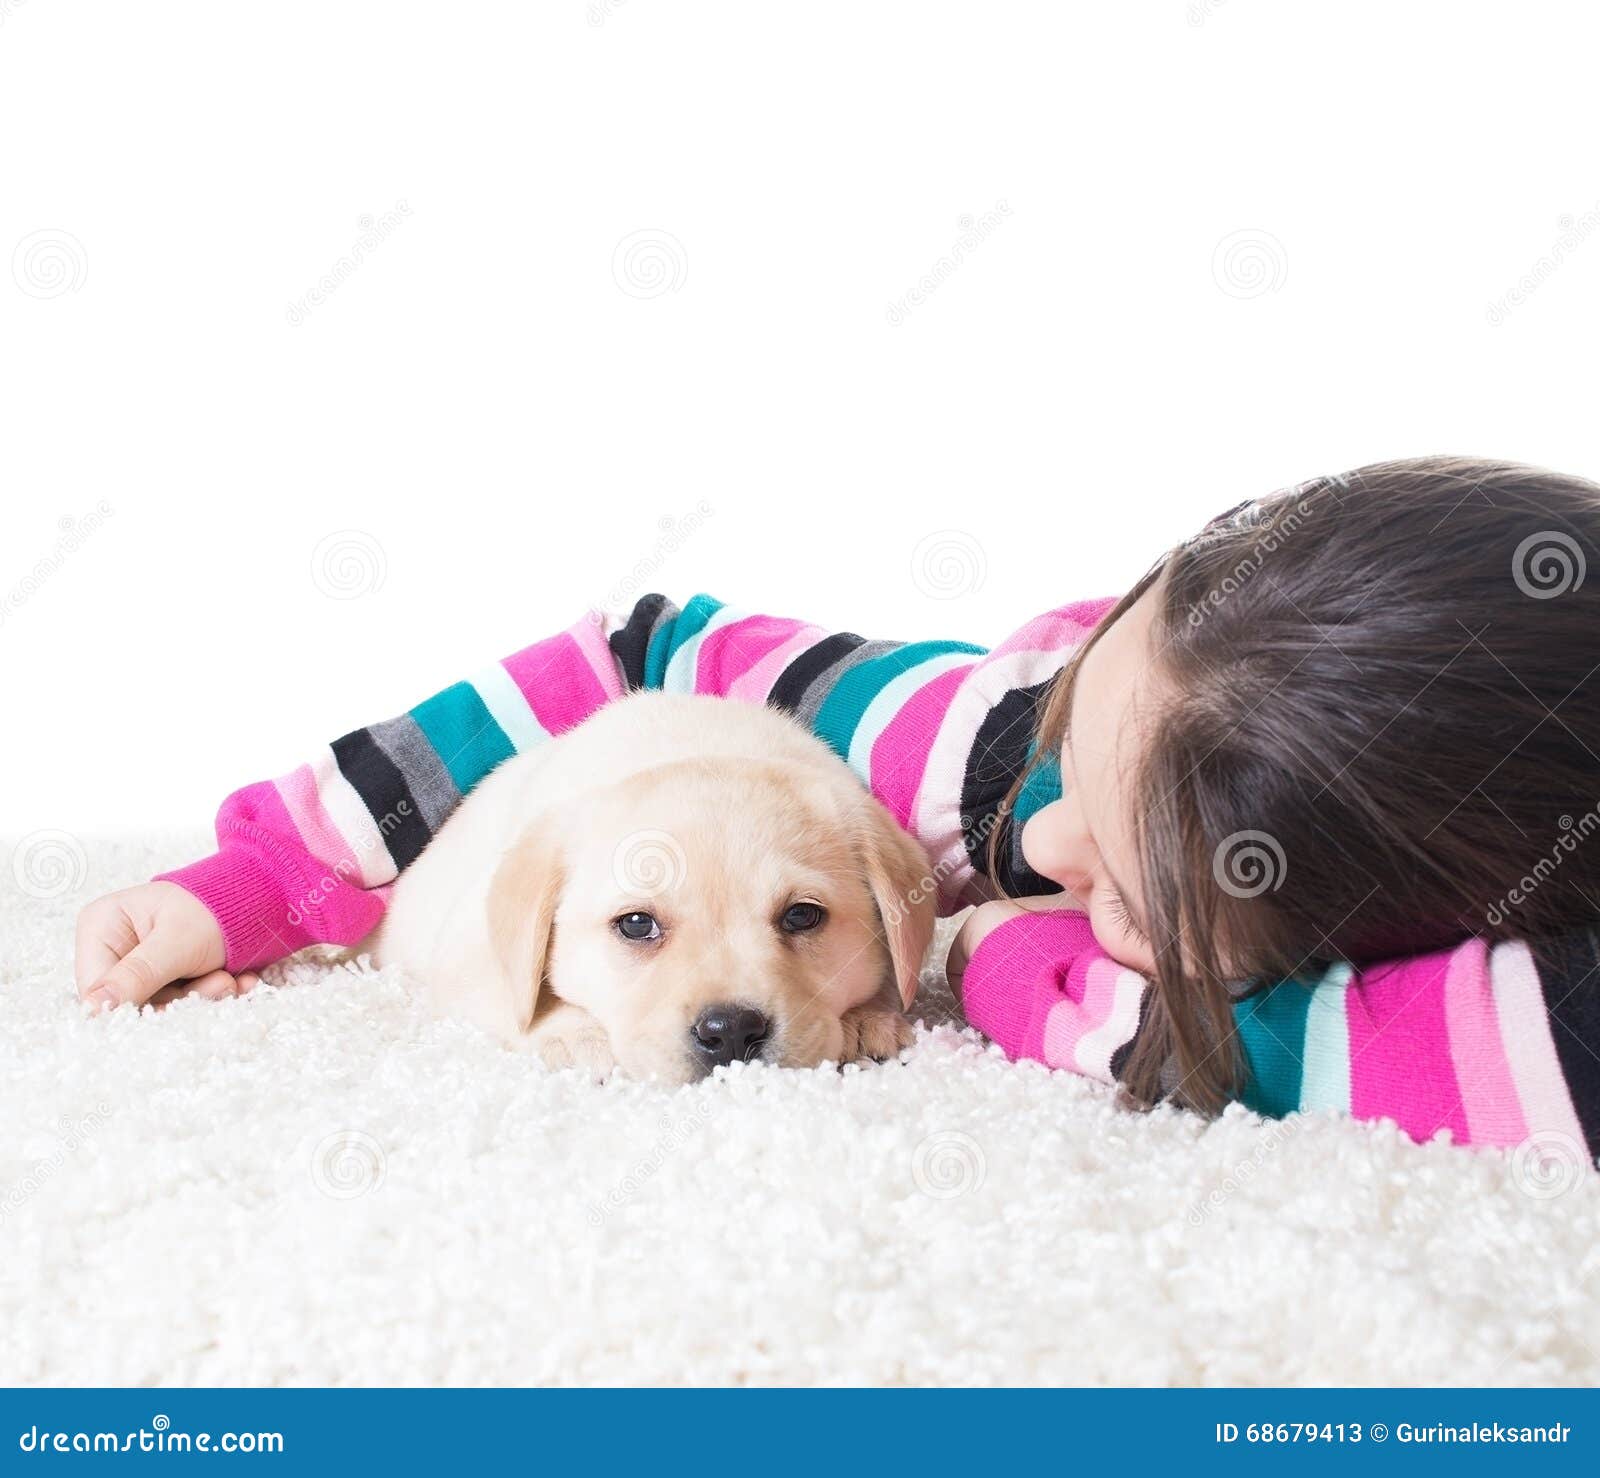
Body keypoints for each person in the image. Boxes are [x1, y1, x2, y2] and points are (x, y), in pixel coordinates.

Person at [74, 457, 1600, 1160]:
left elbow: (1236, 1051)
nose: (1049, 843)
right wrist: (265, 876)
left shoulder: (1505, 996)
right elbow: (637, 643)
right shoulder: (953, 744)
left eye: (1127, 891)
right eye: (1082, 749)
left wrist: (1000, 955)